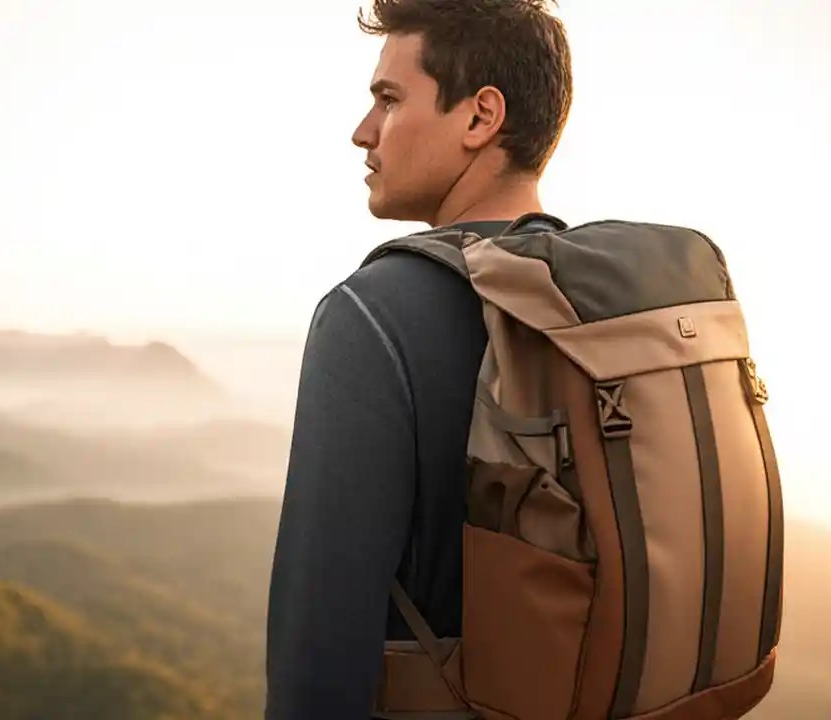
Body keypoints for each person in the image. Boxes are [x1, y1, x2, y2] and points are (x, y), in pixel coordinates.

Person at [264, 1, 574, 717]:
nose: (362, 131)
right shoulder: (602, 307)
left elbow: (317, 664)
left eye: (388, 98)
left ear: (478, 117)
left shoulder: (373, 317)